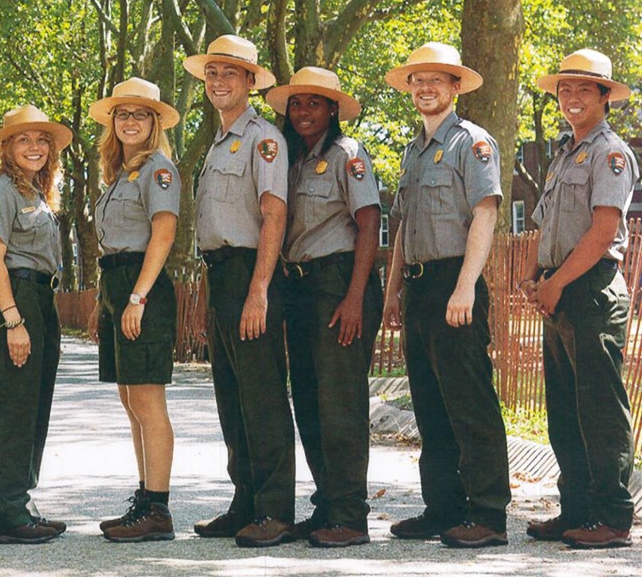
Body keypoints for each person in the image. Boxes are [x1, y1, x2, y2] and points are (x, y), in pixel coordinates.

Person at [382, 42, 510, 548]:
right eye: (418, 80)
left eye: (437, 79)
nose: (426, 88)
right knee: (430, 403)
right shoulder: (414, 151)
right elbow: (400, 227)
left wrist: (465, 287)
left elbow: (486, 213)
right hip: (416, 287)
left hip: (454, 281)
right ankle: (443, 507)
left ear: (456, 87)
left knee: (469, 400)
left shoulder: (472, 143)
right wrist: (392, 291)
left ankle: (488, 512)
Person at [521, 49, 636, 549]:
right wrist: (532, 276)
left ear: (605, 96)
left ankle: (611, 517)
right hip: (560, 287)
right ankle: (577, 511)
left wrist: (557, 282)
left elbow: (603, 229)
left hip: (590, 290)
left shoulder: (611, 153)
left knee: (599, 407)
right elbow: (544, 223)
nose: (570, 97)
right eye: (564, 89)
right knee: (564, 408)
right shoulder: (565, 152)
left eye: (583, 89)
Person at [184, 35, 296, 548]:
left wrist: (259, 291)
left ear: (251, 81)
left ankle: (274, 508)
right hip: (219, 274)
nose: (219, 82)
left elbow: (273, 213)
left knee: (263, 394)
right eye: (211, 73)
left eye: (230, 73)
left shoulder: (263, 138)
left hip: (251, 272)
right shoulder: (216, 142)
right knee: (230, 394)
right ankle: (244, 500)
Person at [270, 67, 382, 547]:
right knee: (311, 403)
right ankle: (327, 503)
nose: (304, 112)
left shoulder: (348, 155)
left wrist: (355, 297)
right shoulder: (291, 160)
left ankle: (350, 515)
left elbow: (369, 221)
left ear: (332, 109)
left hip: (339, 284)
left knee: (340, 403)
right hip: (300, 288)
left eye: (314, 104)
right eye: (297, 104)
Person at [86, 77, 181, 543]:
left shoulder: (157, 169)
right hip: (117, 282)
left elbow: (163, 234)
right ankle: (144, 498)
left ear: (155, 122)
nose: (130, 122)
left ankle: (158, 510)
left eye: (140, 114)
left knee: (148, 400)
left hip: (143, 286)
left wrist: (138, 297)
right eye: (122, 114)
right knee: (130, 401)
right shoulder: (118, 175)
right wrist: (107, 299)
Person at [0, 104, 72, 545]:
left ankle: (18, 500)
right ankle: (3, 511)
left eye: (41, 141)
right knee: (13, 408)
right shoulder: (1, 190)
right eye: (23, 139)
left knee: (33, 405)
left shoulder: (36, 193)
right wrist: (13, 320)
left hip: (39, 297)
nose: (33, 147)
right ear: (7, 148)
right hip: (14, 299)